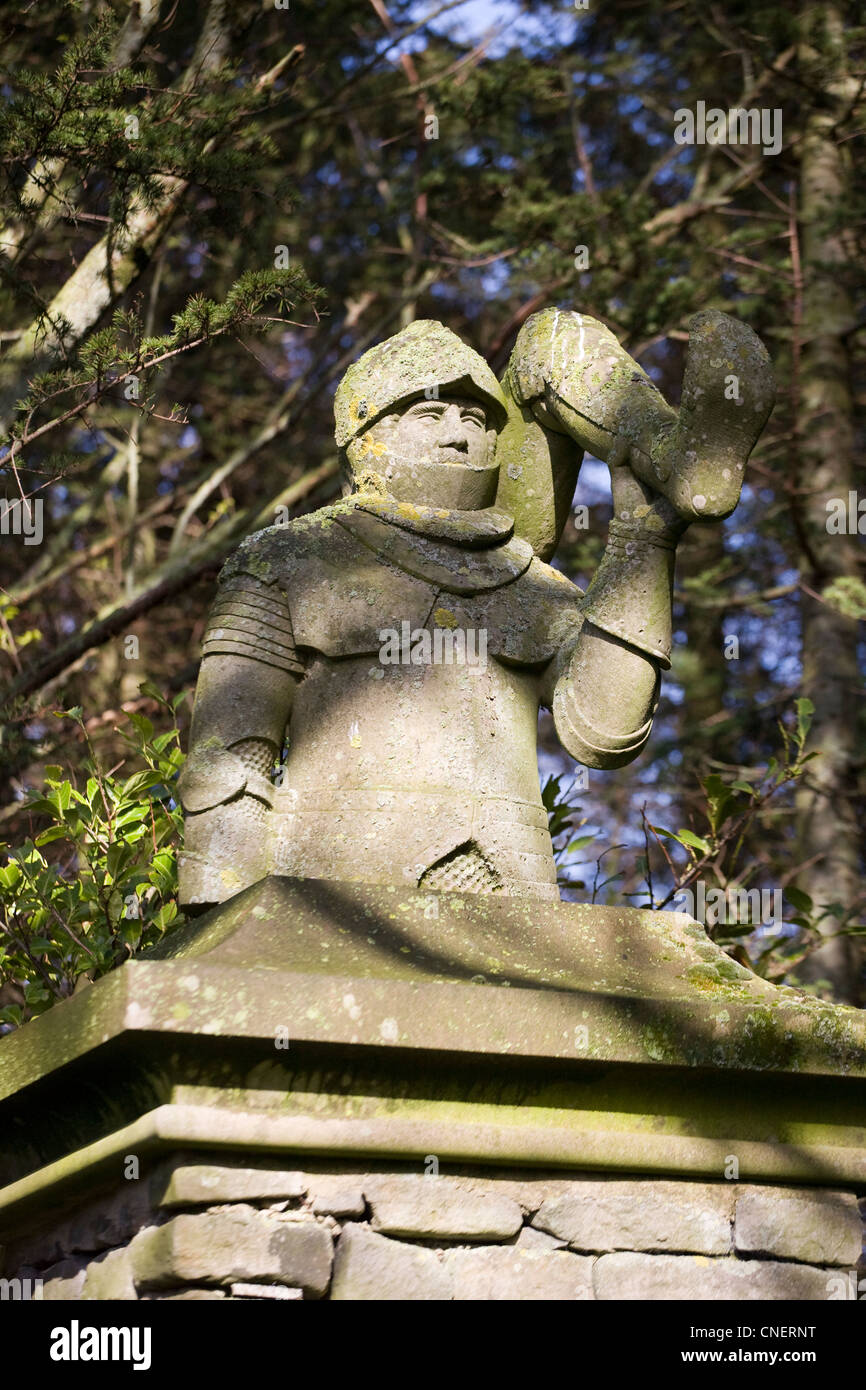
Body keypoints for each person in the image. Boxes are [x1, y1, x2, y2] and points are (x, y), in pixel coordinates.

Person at [177, 310, 774, 908]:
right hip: (335, 892)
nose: (459, 434)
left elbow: (604, 734)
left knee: (550, 336)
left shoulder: (531, 583)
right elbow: (232, 754)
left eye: (477, 419)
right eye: (429, 414)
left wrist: (644, 541)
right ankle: (676, 453)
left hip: (515, 894)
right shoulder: (289, 557)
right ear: (367, 435)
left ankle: (675, 454)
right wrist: (219, 902)